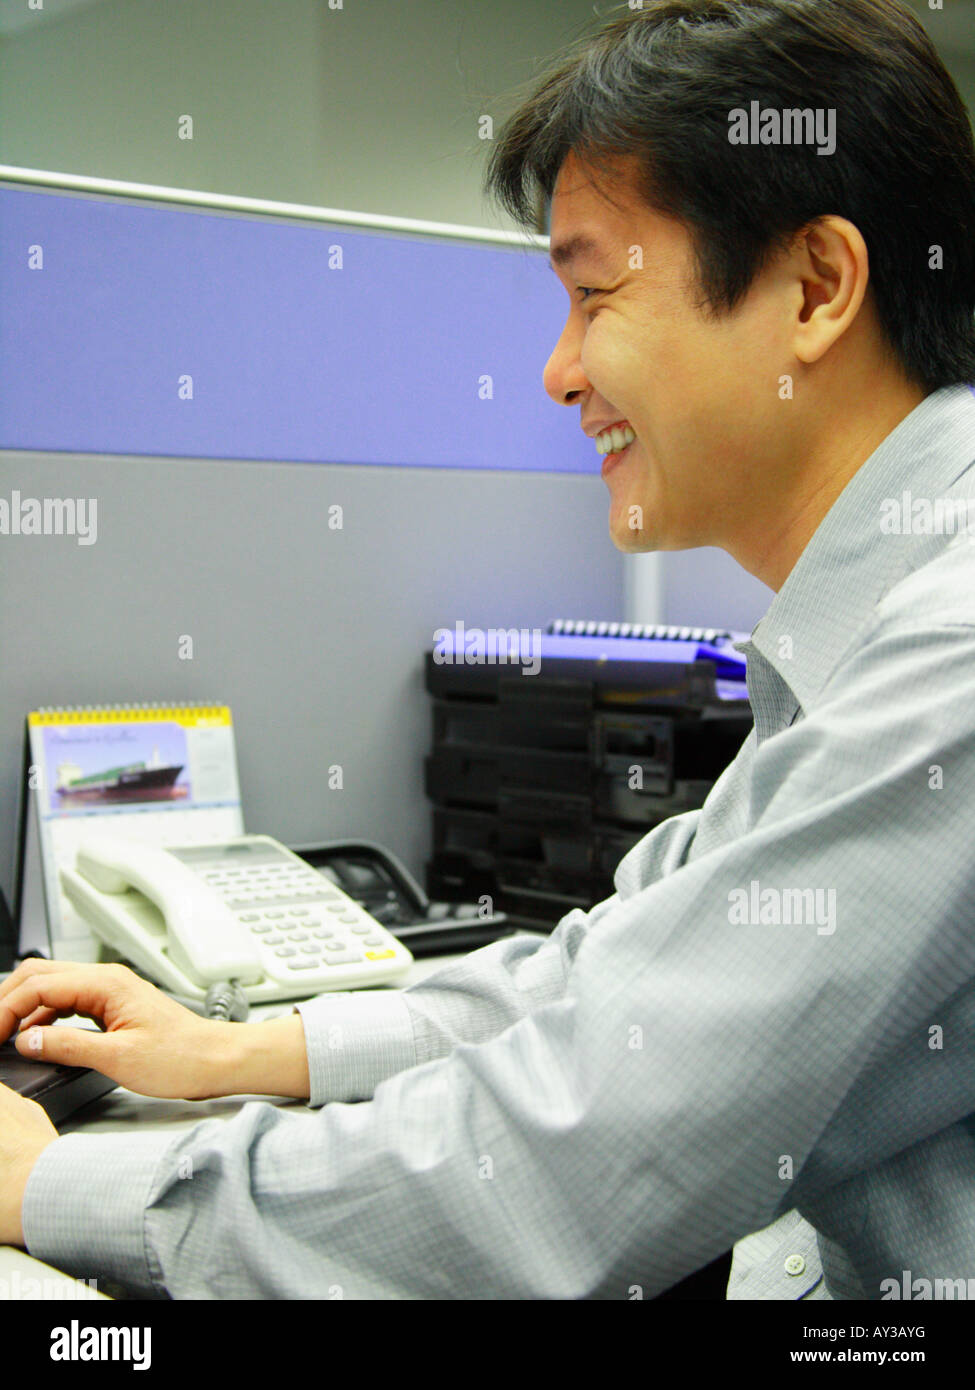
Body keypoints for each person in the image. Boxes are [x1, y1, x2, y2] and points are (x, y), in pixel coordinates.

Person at [2, 0, 975, 1300]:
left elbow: (586, 1141)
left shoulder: (952, 645)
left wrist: (48, 1186)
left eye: (593, 295)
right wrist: (252, 1045)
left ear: (814, 288)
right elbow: (615, 983)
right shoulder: (876, 623)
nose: (557, 372)